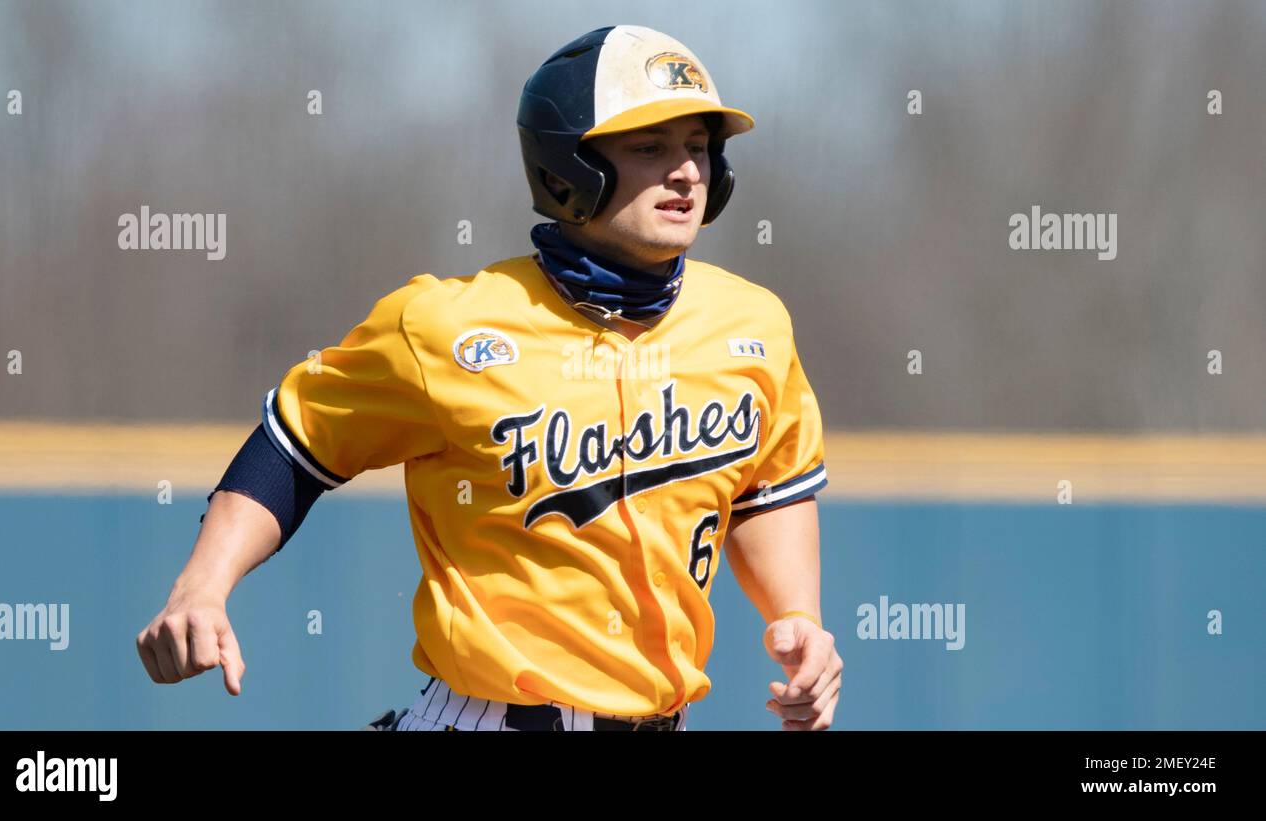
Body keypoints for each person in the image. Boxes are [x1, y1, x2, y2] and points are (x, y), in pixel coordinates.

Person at [135, 24, 843, 732]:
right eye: (650, 148)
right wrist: (203, 582)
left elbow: (763, 485)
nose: (686, 172)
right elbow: (296, 445)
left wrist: (797, 616)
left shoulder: (752, 324)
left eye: (698, 147)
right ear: (572, 167)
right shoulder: (447, 326)